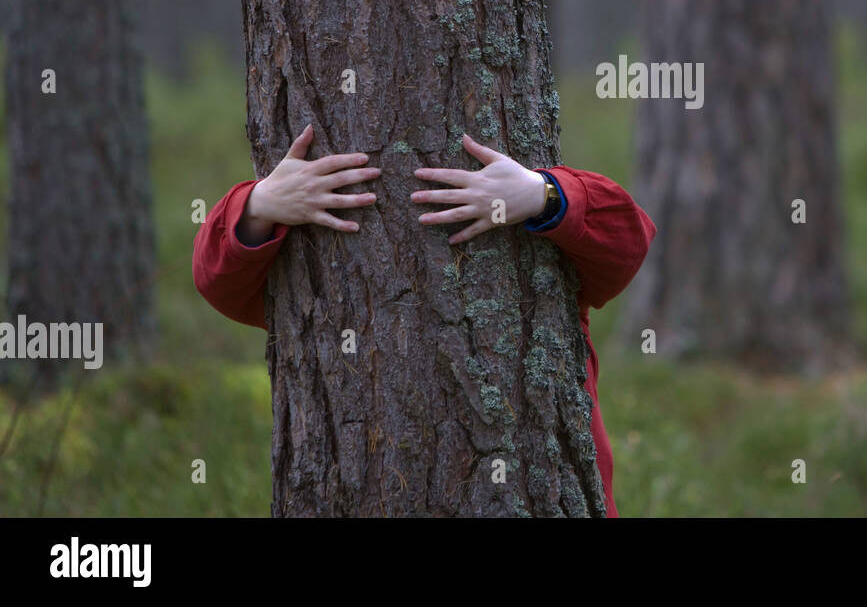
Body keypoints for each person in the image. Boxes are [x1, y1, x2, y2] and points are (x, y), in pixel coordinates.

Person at [192, 123, 656, 517]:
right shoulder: (304, 271)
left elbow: (629, 237)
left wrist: (542, 194)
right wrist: (256, 207)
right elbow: (219, 282)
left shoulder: (547, 254)